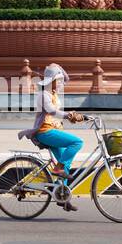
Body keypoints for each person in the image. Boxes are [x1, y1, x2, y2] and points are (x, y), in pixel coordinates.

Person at [17, 63, 85, 211]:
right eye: (58, 81)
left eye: (60, 81)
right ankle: (57, 169)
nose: (61, 84)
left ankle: (62, 197)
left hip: (53, 130)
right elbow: (52, 112)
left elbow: (65, 78)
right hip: (45, 132)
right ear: (51, 81)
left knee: (65, 164)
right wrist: (68, 115)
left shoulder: (53, 94)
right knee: (77, 142)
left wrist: (78, 117)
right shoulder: (43, 95)